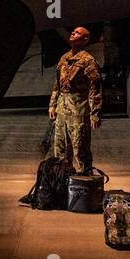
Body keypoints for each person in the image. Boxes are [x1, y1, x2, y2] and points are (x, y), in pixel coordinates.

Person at [49, 26, 102, 172]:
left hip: (79, 111)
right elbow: (57, 85)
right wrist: (52, 105)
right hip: (62, 110)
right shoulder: (64, 58)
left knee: (80, 151)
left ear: (85, 40)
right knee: (60, 150)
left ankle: (84, 182)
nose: (73, 33)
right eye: (73, 32)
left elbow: (95, 88)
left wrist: (95, 114)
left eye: (78, 33)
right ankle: (61, 181)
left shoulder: (88, 61)